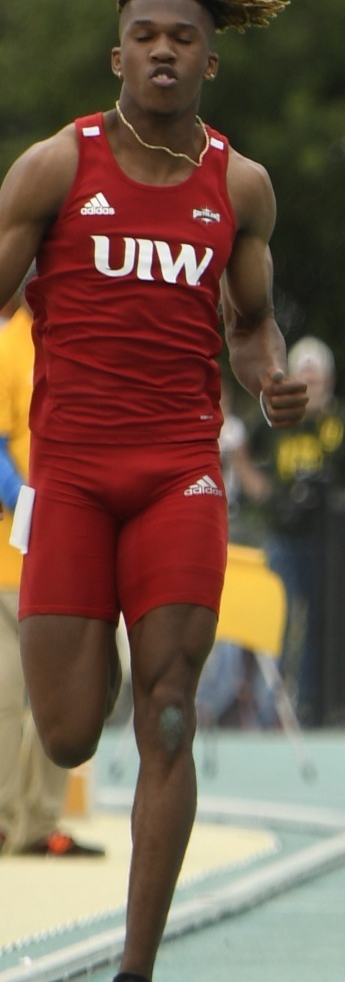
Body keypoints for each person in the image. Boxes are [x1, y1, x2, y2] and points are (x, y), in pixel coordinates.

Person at [0, 0, 306, 982]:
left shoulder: (243, 187)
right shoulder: (54, 167)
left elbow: (253, 329)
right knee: (71, 734)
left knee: (170, 706)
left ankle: (137, 965)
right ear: (116, 57)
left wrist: (273, 381)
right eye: (146, 39)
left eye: (184, 39)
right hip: (71, 479)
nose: (164, 53)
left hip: (181, 471)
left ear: (211, 61)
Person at [0, 296, 105, 858]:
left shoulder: (79, 337)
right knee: (11, 691)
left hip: (64, 550)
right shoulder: (8, 348)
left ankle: (35, 820)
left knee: (51, 692)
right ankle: (16, 818)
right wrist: (33, 505)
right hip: (18, 554)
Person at [229, 335, 345, 723]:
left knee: (318, 624)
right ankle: (269, 708)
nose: (311, 388)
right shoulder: (276, 420)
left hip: (328, 538)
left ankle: (310, 701)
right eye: (304, 379)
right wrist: (257, 487)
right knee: (277, 617)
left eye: (317, 380)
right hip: (283, 532)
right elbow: (237, 446)